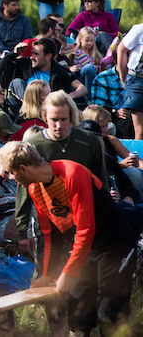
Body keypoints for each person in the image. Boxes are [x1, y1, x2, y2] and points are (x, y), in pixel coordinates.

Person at [0, 141, 136, 335]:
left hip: (116, 245)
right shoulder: (34, 189)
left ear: (23, 168)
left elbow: (86, 228)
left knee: (109, 314)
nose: (10, 177)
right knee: (78, 317)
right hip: (86, 249)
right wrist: (48, 274)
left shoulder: (71, 172)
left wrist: (68, 272)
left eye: (10, 172)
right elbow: (50, 236)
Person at [15, 91, 108, 255]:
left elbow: (101, 180)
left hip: (84, 215)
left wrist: (107, 215)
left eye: (63, 119)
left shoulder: (88, 141)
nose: (59, 125)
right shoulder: (32, 145)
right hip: (48, 220)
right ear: (45, 117)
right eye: (54, 120)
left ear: (71, 116)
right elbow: (23, 191)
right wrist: (23, 231)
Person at [0, 37, 86, 102]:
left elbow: (82, 89)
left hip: (47, 110)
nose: (31, 57)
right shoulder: (24, 66)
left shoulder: (60, 72)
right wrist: (14, 53)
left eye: (36, 54)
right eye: (32, 53)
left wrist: (67, 96)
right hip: (23, 111)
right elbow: (0, 67)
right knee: (17, 82)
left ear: (48, 56)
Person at [116, 21, 143, 140]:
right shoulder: (140, 29)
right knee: (140, 131)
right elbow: (121, 49)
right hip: (138, 80)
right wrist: (123, 77)